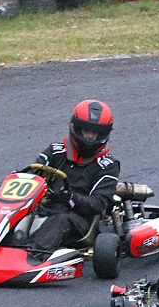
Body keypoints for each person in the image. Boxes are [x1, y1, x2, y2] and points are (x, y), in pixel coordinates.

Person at [23, 99, 122, 254]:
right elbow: (32, 175)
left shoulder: (108, 165)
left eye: (95, 134)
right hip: (45, 208)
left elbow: (98, 204)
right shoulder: (55, 151)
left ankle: (32, 254)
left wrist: (70, 197)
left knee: (61, 219)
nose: (89, 138)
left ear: (103, 135)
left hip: (80, 218)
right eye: (86, 132)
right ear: (76, 128)